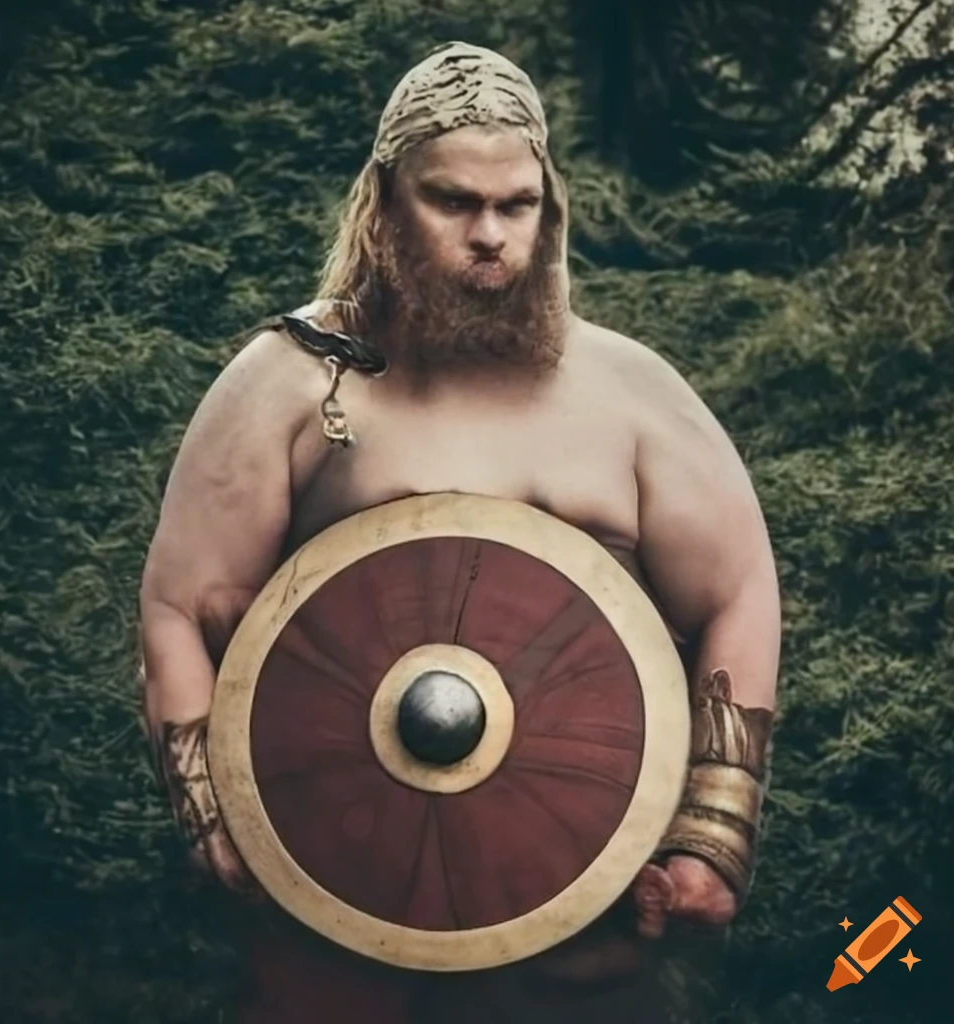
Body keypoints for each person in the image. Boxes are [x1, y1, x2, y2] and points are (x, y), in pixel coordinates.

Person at [139, 41, 780, 1023]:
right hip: (337, 895)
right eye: (453, 201)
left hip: (579, 912)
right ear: (385, 202)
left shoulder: (629, 395)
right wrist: (211, 818)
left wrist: (710, 834)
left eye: (516, 205)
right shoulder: (294, 380)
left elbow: (737, 587)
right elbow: (182, 605)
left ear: (548, 208)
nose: (489, 235)